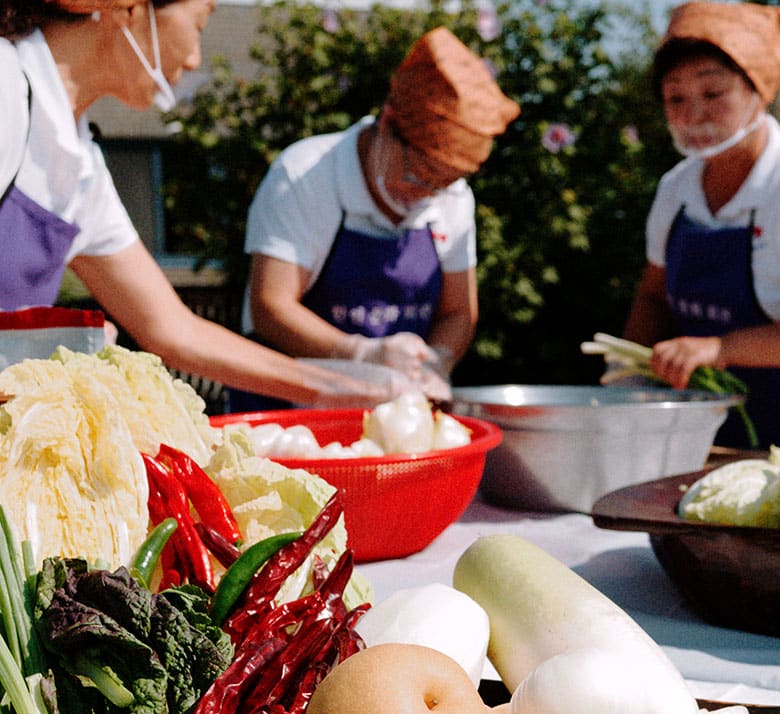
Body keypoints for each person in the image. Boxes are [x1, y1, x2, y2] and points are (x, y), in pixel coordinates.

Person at [0, 0, 393, 408]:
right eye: (200, 25)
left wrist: (346, 386)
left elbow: (174, 330)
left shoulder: (81, 167)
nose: (193, 59)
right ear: (129, 9)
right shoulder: (6, 87)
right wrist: (45, 348)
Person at [621, 0, 780, 451]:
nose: (692, 114)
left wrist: (720, 349)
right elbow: (652, 297)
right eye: (675, 98)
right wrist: (622, 389)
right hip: (708, 441)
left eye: (713, 94)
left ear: (758, 90)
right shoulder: (675, 191)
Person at [233, 26, 519, 410]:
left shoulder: (453, 198)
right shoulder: (305, 175)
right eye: (417, 174)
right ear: (387, 123)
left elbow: (458, 312)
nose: (426, 193)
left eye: (443, 183)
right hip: (288, 413)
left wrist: (437, 362)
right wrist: (361, 354)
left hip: (391, 415)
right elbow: (271, 307)